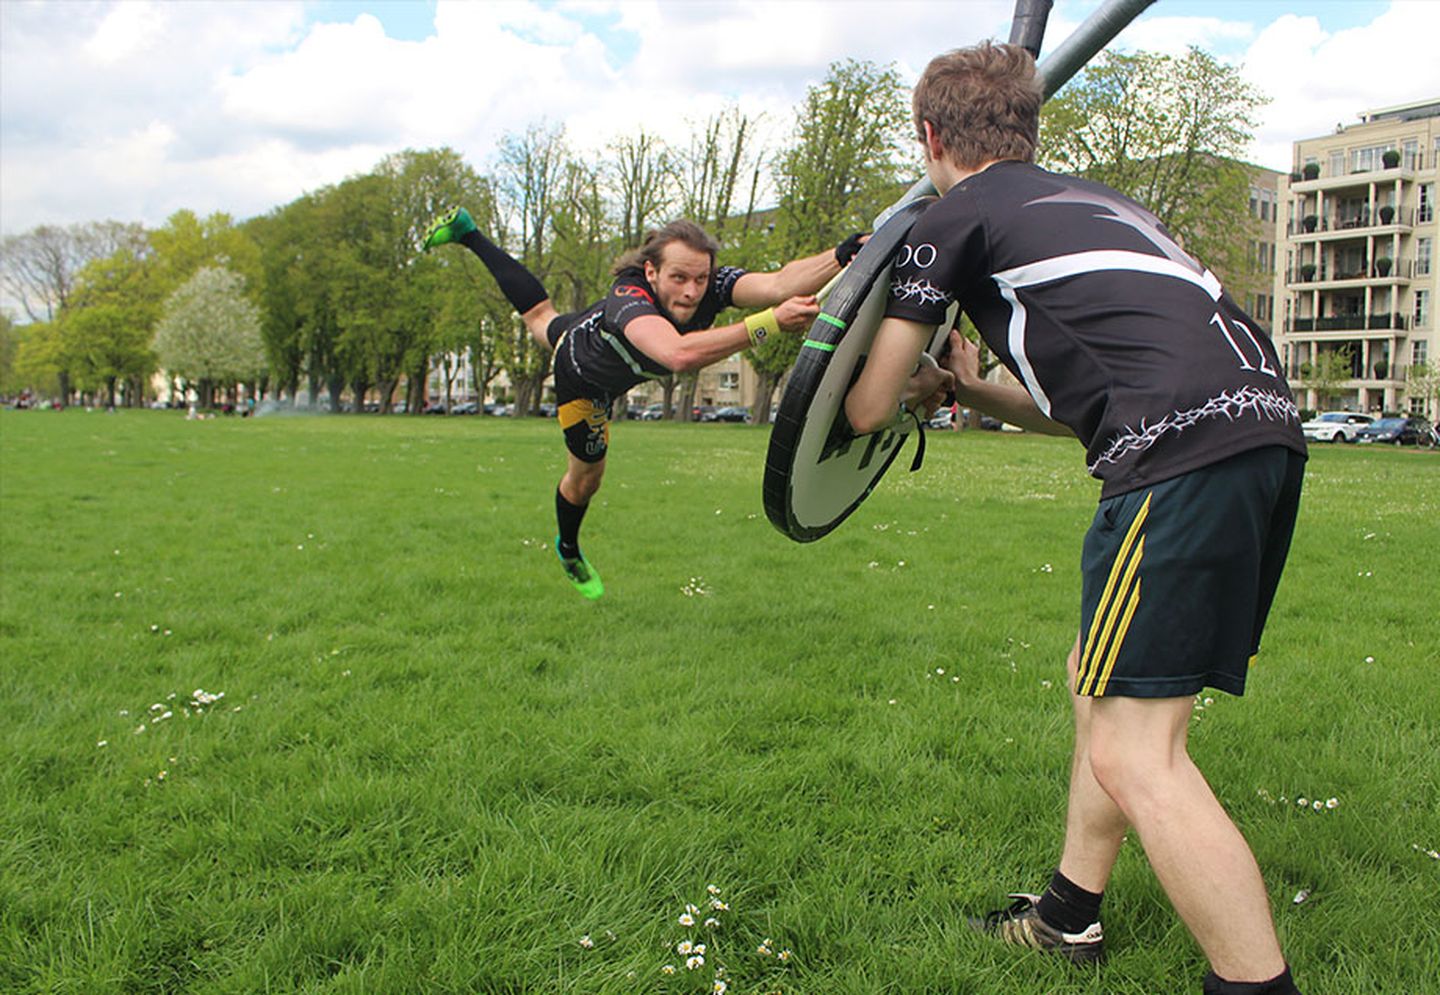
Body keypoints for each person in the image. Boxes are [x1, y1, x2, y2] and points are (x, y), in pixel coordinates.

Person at [844, 42, 1308, 995]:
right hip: (1259, 435)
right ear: (1026, 129)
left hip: (1179, 457)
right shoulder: (1095, 203)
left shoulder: (953, 215)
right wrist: (967, 390)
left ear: (930, 136)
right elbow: (1089, 402)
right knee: (1094, 674)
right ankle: (1066, 917)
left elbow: (862, 407)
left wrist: (903, 376)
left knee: (1139, 754)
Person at [424, 206, 864, 599]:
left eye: (701, 279)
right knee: (586, 480)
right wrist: (769, 324)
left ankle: (467, 232)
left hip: (588, 329)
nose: (692, 291)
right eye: (679, 279)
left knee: (541, 315)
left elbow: (779, 283)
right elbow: (677, 354)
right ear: (651, 272)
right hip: (582, 376)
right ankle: (568, 548)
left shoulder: (708, 284)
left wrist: (840, 256)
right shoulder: (629, 296)